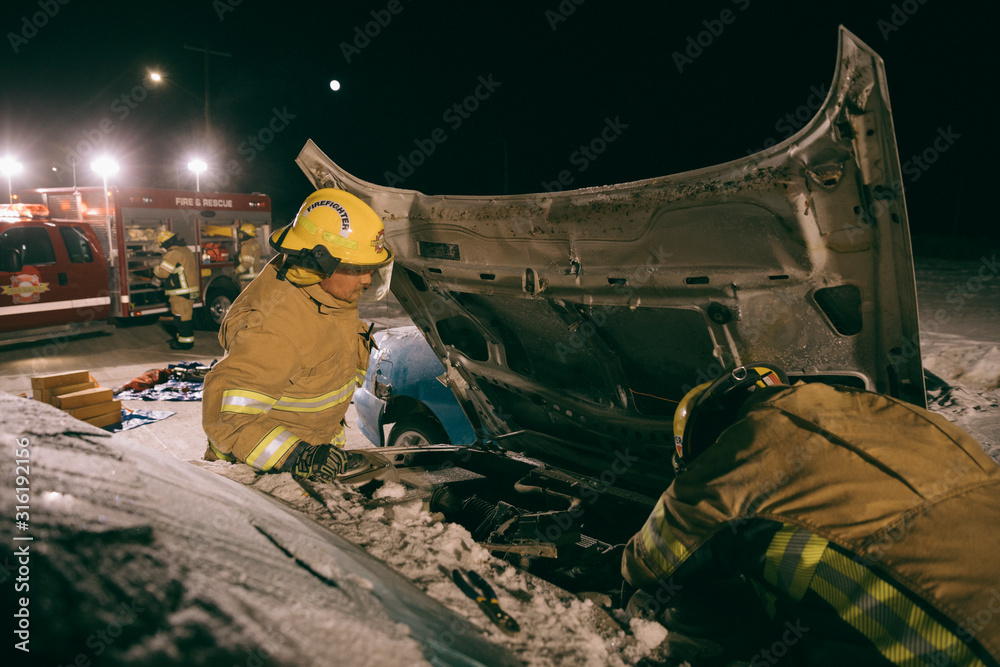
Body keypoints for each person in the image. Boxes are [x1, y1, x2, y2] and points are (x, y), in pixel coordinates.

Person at [621, 363, 1000, 666]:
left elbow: (646, 564)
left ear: (706, 441)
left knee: (658, 602)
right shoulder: (902, 417)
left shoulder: (734, 456)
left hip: (959, 646)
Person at [202, 188, 394, 484]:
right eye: (359, 269)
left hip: (316, 463)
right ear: (318, 262)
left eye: (371, 269)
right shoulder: (273, 327)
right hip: (264, 474)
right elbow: (230, 420)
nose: (368, 279)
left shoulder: (330, 296)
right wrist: (298, 456)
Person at [152, 230, 199, 350]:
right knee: (183, 315)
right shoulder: (185, 250)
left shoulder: (173, 254)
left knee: (182, 317)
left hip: (181, 292)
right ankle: (180, 338)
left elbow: (163, 273)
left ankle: (185, 343)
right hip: (189, 290)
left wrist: (155, 268)